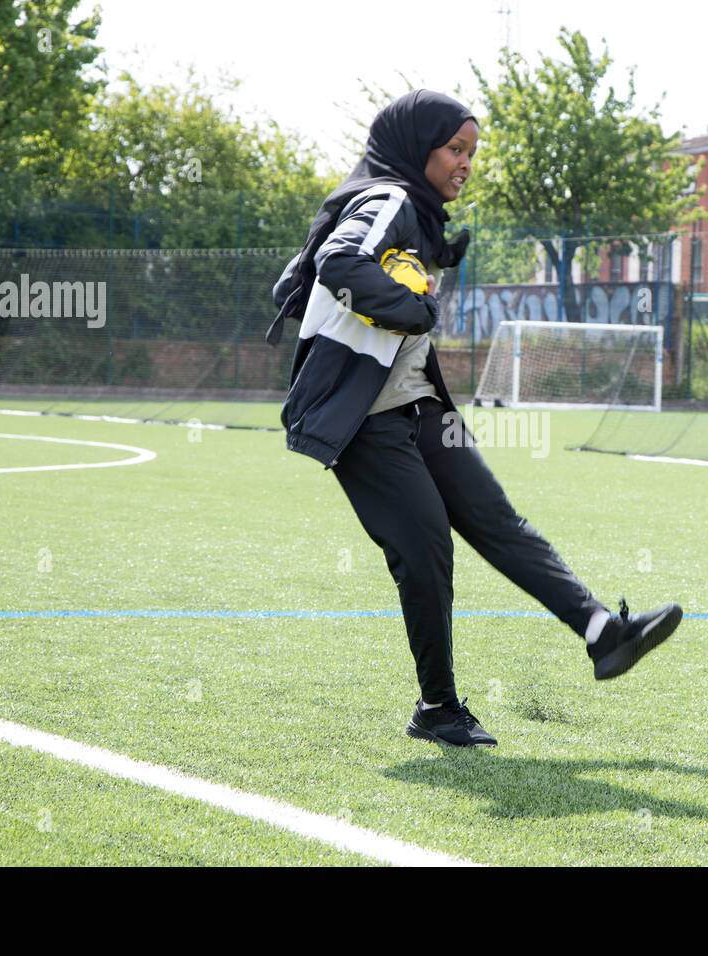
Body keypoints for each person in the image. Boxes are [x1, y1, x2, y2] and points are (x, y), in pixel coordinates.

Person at [267, 90, 682, 747]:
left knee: (496, 520)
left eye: (472, 153)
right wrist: (414, 307)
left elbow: (307, 279)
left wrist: (418, 277)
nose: (465, 163)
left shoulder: (414, 211)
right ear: (416, 148)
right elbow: (338, 262)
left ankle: (604, 632)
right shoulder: (389, 199)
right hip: (366, 419)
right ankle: (437, 707)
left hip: (423, 407)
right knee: (426, 548)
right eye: (454, 149)